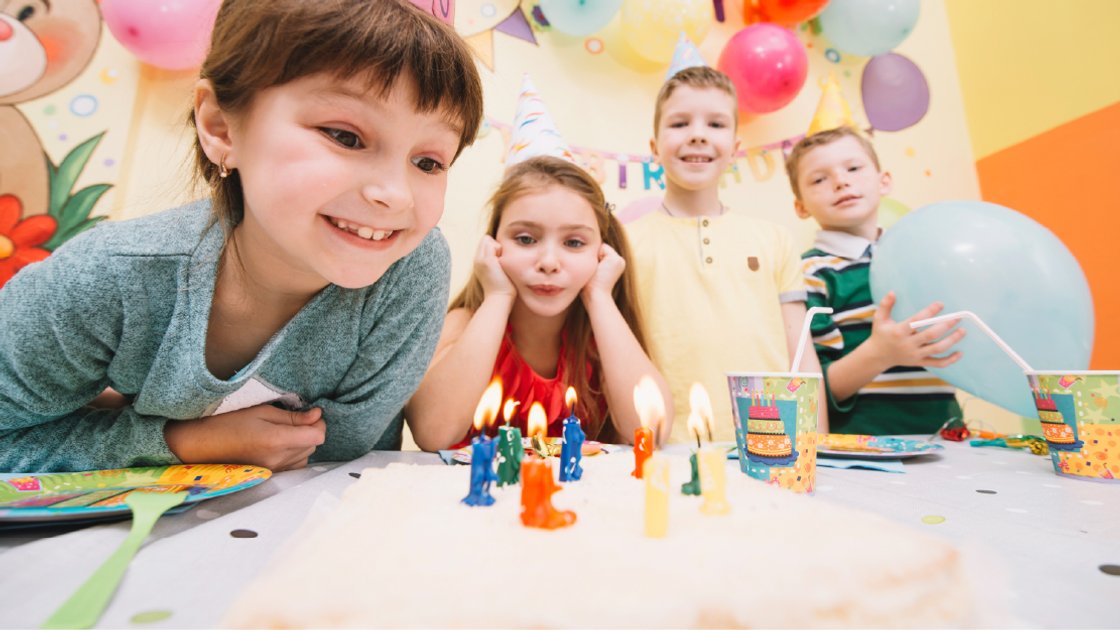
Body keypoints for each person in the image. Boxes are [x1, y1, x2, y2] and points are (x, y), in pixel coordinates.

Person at [0, 0, 484, 472]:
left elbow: (341, 452)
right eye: (344, 136)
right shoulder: (107, 278)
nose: (395, 195)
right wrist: (177, 443)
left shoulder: (411, 265)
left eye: (428, 162)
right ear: (220, 127)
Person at [405, 156, 673, 450]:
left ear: (603, 252)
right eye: (525, 239)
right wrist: (497, 296)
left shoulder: (602, 342)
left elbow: (651, 432)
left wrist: (599, 296)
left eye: (574, 243)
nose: (548, 262)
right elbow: (433, 434)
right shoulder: (464, 326)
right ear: (493, 245)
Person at [624, 66, 823, 443]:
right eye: (680, 123)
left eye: (715, 124)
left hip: (775, 443)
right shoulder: (624, 243)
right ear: (654, 147)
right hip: (667, 443)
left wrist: (819, 443)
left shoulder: (774, 239)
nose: (698, 135)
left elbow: (801, 353)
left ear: (735, 149)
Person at [788, 126, 965, 435]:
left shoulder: (923, 259)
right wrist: (880, 353)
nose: (841, 181)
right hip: (865, 451)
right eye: (819, 179)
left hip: (947, 438)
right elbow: (811, 389)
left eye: (853, 168)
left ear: (884, 182)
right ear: (801, 206)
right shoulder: (809, 274)